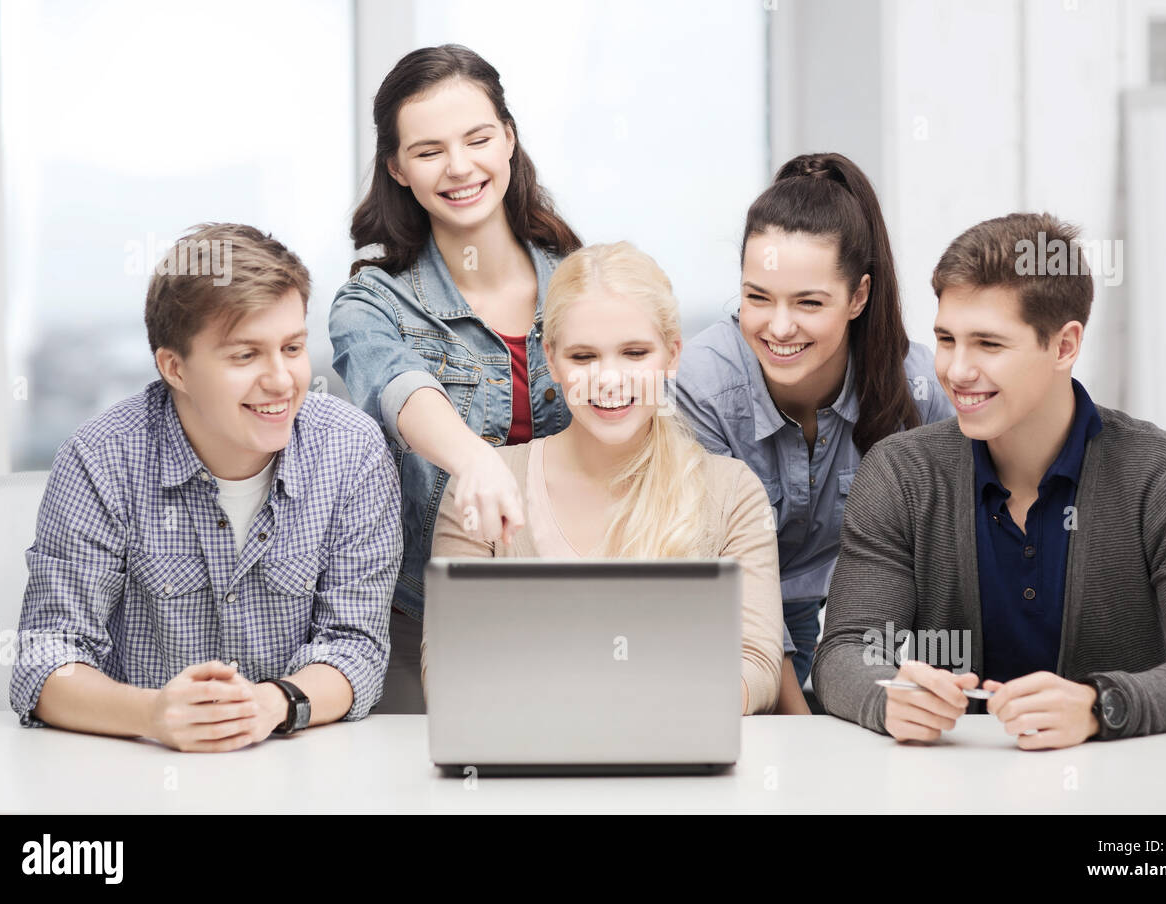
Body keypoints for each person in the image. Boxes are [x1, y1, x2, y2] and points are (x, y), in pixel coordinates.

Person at [812, 212, 1166, 748]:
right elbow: (844, 650)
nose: (956, 371)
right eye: (946, 339)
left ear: (1064, 346)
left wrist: (1101, 706)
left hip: (1130, 792)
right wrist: (886, 696)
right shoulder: (899, 475)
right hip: (947, 786)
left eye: (988, 344)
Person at [10, 223, 402, 751]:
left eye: (291, 348)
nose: (281, 380)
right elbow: (47, 658)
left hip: (297, 770)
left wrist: (270, 705)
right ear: (175, 367)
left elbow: (355, 648)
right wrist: (154, 714)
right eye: (245, 356)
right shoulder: (100, 457)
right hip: (131, 770)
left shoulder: (352, 450)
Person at [329, 44, 581, 712]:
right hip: (427, 624)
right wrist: (475, 460)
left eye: (478, 139)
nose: (460, 166)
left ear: (509, 140)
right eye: (429, 150)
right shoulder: (371, 303)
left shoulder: (584, 280)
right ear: (397, 168)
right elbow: (402, 390)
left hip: (583, 614)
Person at [428, 242, 784, 714]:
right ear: (550, 360)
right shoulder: (483, 487)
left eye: (635, 353)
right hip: (525, 770)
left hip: (675, 763)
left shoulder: (733, 493)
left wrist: (651, 709)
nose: (610, 379)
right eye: (583, 357)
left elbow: (757, 666)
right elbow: (448, 671)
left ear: (672, 353)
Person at [671, 153, 953, 713]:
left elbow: (950, 554)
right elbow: (718, 573)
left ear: (858, 297)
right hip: (738, 628)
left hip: (871, 625)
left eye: (808, 303)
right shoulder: (704, 382)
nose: (778, 327)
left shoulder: (916, 385)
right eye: (757, 297)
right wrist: (805, 728)